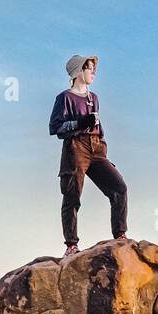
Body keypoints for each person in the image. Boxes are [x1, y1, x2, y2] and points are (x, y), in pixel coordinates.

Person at [48, 54, 127, 256]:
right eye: (89, 68)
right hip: (76, 148)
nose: (93, 71)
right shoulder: (64, 98)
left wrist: (102, 144)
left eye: (93, 68)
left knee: (119, 187)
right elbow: (56, 128)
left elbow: (98, 126)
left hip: (97, 147)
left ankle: (120, 236)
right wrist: (80, 123)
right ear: (78, 71)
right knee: (72, 195)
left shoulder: (94, 98)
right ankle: (71, 245)